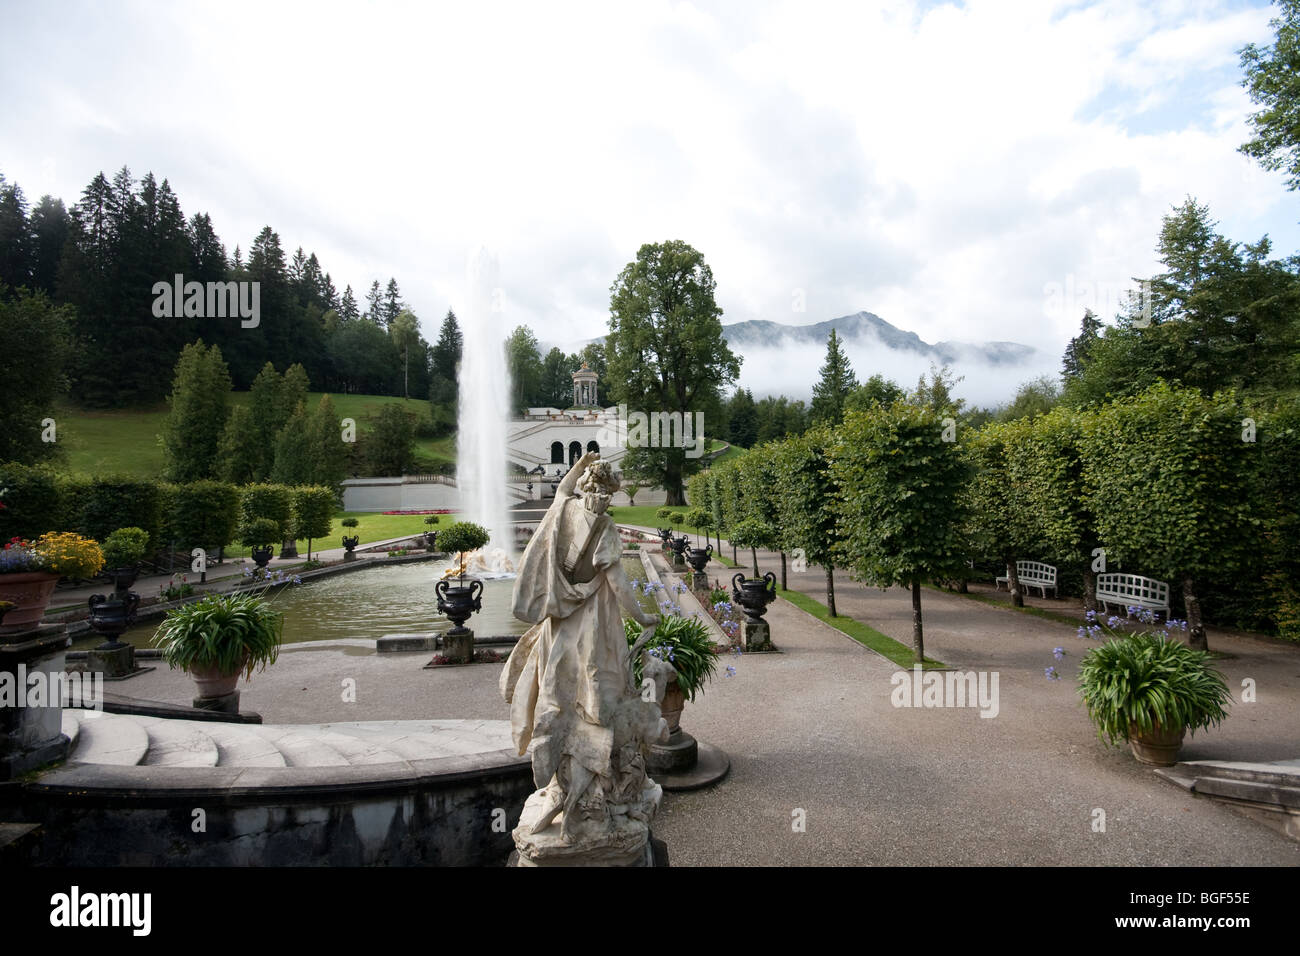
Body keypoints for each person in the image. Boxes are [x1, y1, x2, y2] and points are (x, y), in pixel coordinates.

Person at [501, 451, 666, 844]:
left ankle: (562, 786)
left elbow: (560, 488)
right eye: (609, 495)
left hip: (559, 625)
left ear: (583, 487)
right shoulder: (604, 526)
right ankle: (592, 792)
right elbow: (618, 585)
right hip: (591, 625)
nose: (606, 501)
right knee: (596, 696)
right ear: (607, 494)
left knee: (557, 696)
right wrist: (644, 618)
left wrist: (577, 467)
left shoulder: (565, 507)